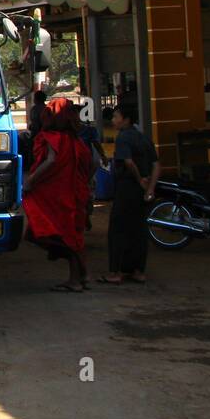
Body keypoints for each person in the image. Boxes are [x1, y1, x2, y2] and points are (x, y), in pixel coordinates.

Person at [22, 96, 92, 292]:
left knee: (55, 233)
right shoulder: (76, 140)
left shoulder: (52, 137)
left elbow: (51, 160)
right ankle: (83, 275)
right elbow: (91, 163)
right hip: (75, 192)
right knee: (74, 235)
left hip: (57, 195)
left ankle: (75, 280)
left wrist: (31, 180)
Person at [100, 104, 160, 285]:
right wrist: (149, 188)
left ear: (126, 119)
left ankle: (116, 272)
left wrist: (139, 179)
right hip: (141, 191)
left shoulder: (123, 138)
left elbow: (127, 162)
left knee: (118, 230)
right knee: (139, 230)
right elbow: (157, 165)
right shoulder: (143, 138)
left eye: (116, 116)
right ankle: (138, 271)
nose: (113, 120)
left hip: (127, 188)